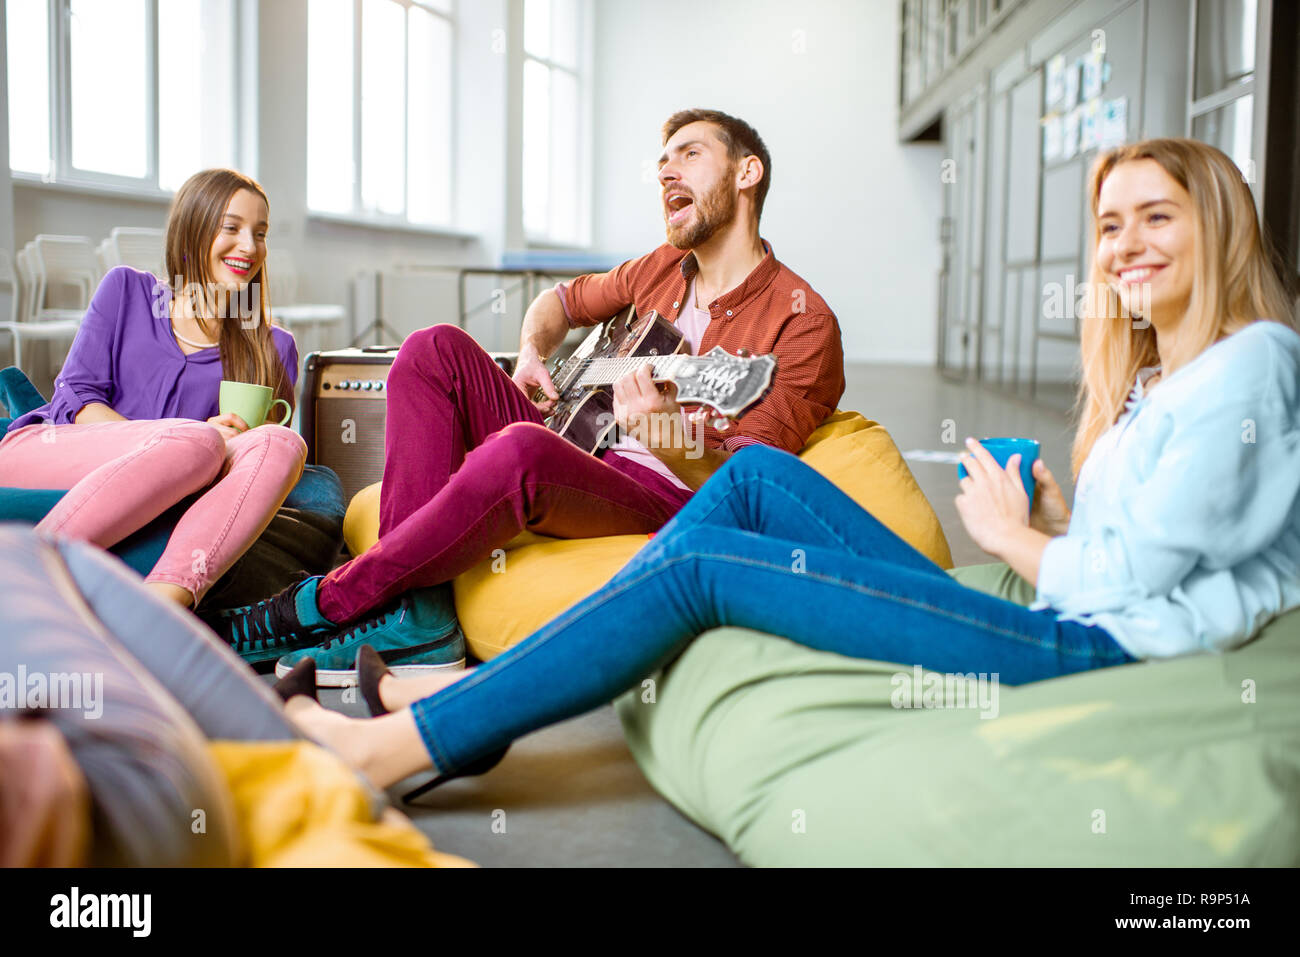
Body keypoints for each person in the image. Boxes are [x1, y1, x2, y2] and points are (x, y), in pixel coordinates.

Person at [276, 138, 1300, 792]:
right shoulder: (1169, 372)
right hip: (1068, 605)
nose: (1124, 244)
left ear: (1221, 222)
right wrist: (1056, 517)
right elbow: (1161, 544)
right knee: (749, 496)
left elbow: (1129, 592)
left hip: (1084, 645)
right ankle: (451, 689)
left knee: (698, 562)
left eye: (1155, 216)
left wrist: (1013, 539)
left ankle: (407, 741)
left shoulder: (1251, 367)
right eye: (1111, 224)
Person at [211, 108, 846, 684]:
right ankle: (419, 615)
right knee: (432, 348)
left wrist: (667, 436)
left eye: (688, 154)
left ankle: (327, 602)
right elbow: (556, 303)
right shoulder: (657, 268)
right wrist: (534, 350)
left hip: (663, 491)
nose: (665, 173)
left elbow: (750, 486)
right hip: (587, 439)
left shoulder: (804, 321)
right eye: (661, 163)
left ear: (747, 172)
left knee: (519, 453)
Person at [0, 169, 307, 626]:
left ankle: (156, 615)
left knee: (284, 445)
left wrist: (219, 445)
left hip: (178, 486)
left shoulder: (273, 348)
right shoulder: (127, 291)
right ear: (193, 226)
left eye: (260, 234)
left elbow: (243, 475)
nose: (250, 246)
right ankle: (19, 583)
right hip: (54, 451)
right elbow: (75, 395)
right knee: (197, 443)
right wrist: (174, 442)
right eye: (232, 227)